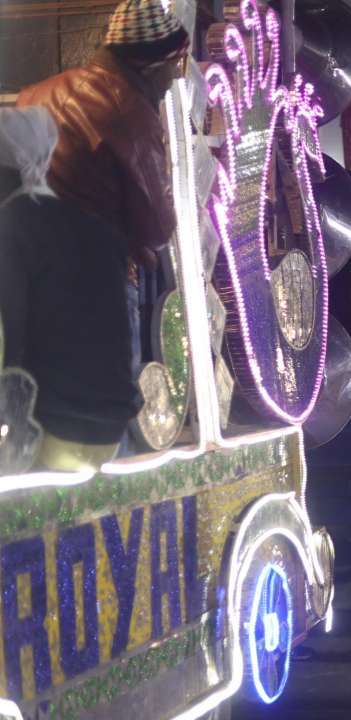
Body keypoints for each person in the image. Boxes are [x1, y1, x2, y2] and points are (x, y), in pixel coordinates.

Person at [17, 0, 188, 373]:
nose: (175, 77)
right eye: (173, 65)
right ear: (149, 64)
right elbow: (158, 228)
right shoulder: (130, 114)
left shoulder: (35, 95)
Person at [0, 106, 140, 470]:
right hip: (111, 433)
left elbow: (7, 342)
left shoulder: (12, 226)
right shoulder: (95, 228)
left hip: (51, 431)